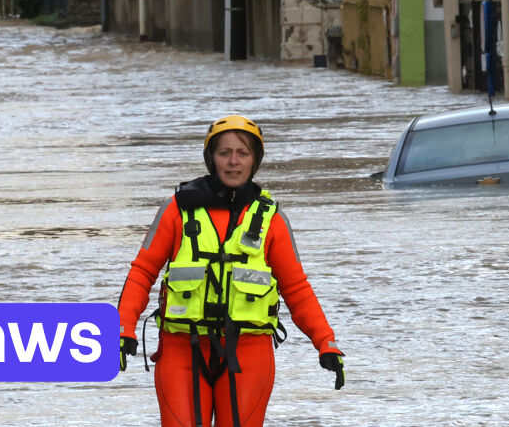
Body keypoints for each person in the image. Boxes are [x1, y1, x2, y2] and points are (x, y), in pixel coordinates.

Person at [117, 115, 344, 426]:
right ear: (212, 158)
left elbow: (296, 289)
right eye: (224, 153)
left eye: (243, 153)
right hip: (182, 349)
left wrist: (325, 341)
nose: (233, 161)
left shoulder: (271, 221)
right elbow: (142, 273)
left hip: (249, 352)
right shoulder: (176, 210)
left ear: (255, 161)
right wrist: (123, 328)